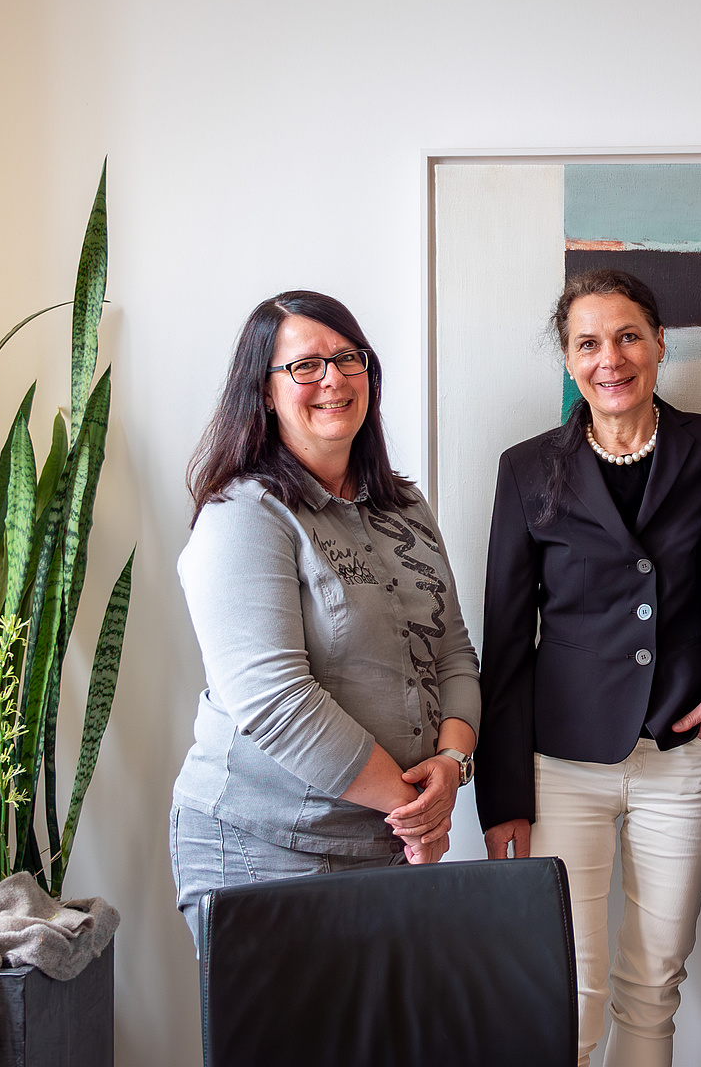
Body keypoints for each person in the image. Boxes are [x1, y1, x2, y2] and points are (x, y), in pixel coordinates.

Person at [475, 268, 701, 1067]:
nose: (610, 359)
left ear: (659, 344)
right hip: (562, 766)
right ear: (567, 358)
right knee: (571, 987)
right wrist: (501, 797)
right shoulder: (527, 469)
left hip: (684, 757)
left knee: (652, 985)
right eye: (587, 343)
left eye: (627, 337)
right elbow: (506, 640)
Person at [169, 290, 479, 952]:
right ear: (264, 392)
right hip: (267, 851)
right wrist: (417, 810)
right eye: (305, 366)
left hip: (389, 844)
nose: (333, 379)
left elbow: (452, 651)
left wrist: (452, 765)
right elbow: (274, 698)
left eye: (347, 358)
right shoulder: (242, 515)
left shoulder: (406, 507)